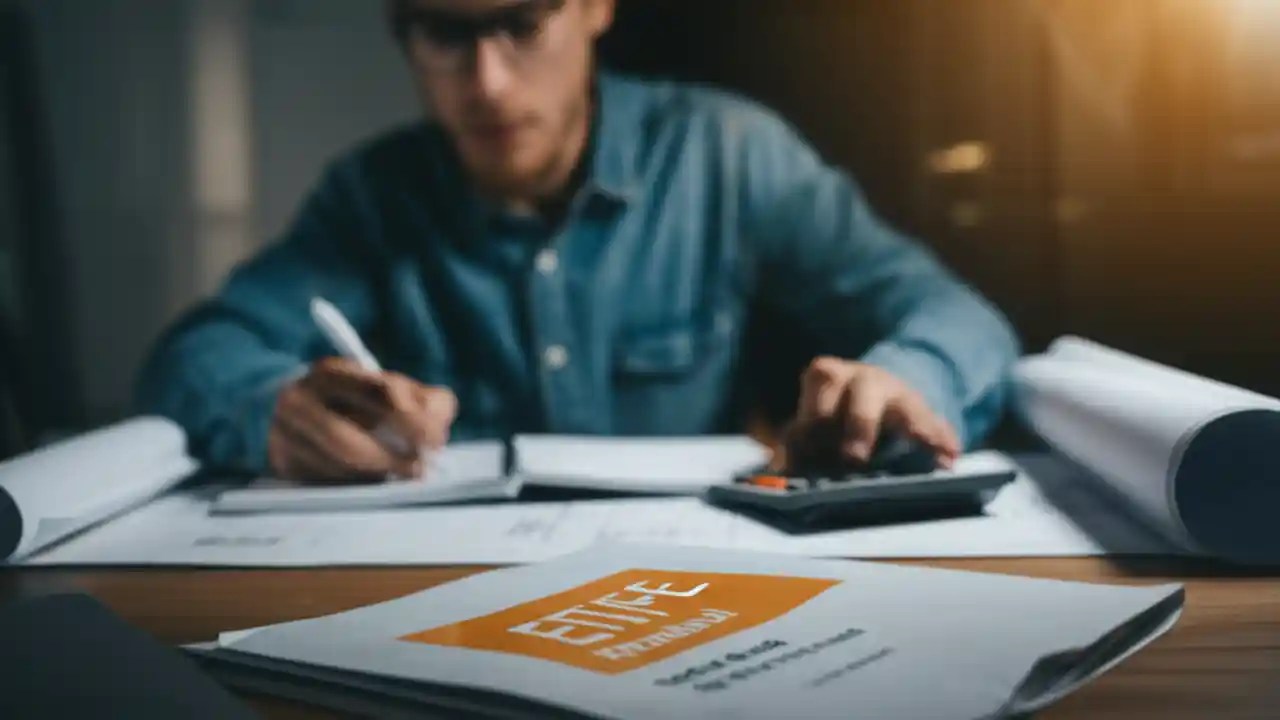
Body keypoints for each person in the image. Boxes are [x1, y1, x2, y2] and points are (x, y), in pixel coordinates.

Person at [138, 0, 1019, 483]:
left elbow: (954, 315)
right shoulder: (373, 196)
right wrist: (272, 407)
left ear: (597, 6)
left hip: (695, 594)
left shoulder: (726, 154)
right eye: (445, 33)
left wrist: (908, 380)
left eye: (520, 22)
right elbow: (196, 352)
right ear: (401, 29)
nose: (484, 83)